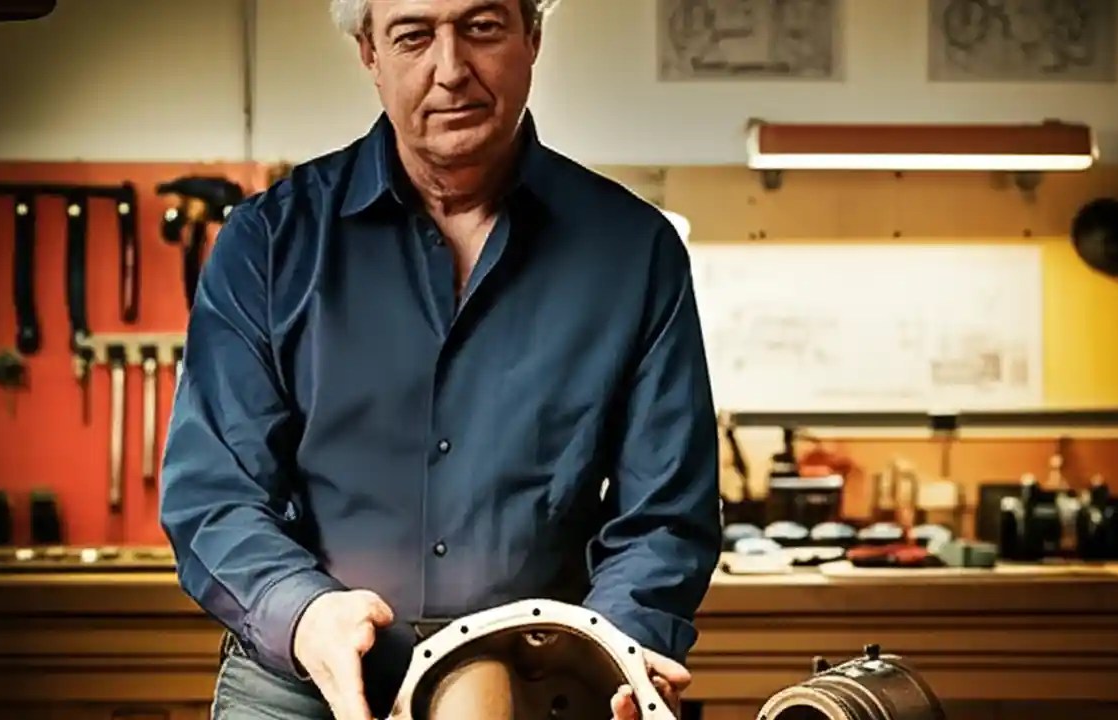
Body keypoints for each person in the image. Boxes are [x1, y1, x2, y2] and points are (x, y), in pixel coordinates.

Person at [158, 0, 722, 718]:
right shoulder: (267, 244)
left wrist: (616, 645)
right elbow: (215, 493)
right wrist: (301, 614)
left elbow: (666, 515)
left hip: (537, 691)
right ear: (369, 51)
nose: (450, 70)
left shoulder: (636, 252)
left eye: (482, 27)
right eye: (414, 35)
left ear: (534, 35)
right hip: (307, 687)